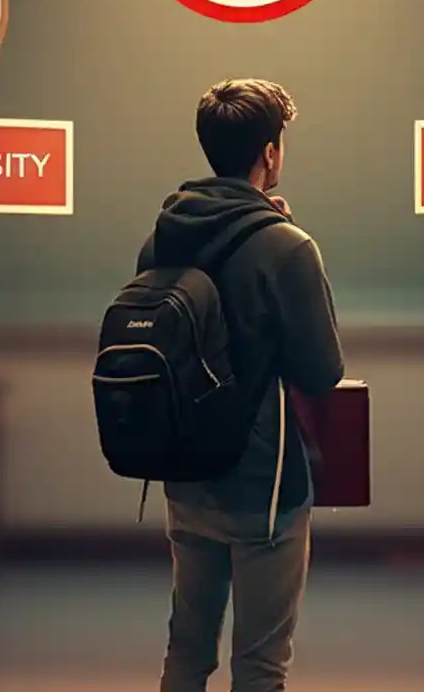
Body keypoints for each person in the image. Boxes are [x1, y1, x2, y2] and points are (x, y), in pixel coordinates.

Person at [134, 78, 344, 692]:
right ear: (270, 152)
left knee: (187, 652)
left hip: (185, 473)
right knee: (259, 666)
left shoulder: (163, 237)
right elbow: (320, 372)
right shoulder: (286, 246)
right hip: (264, 487)